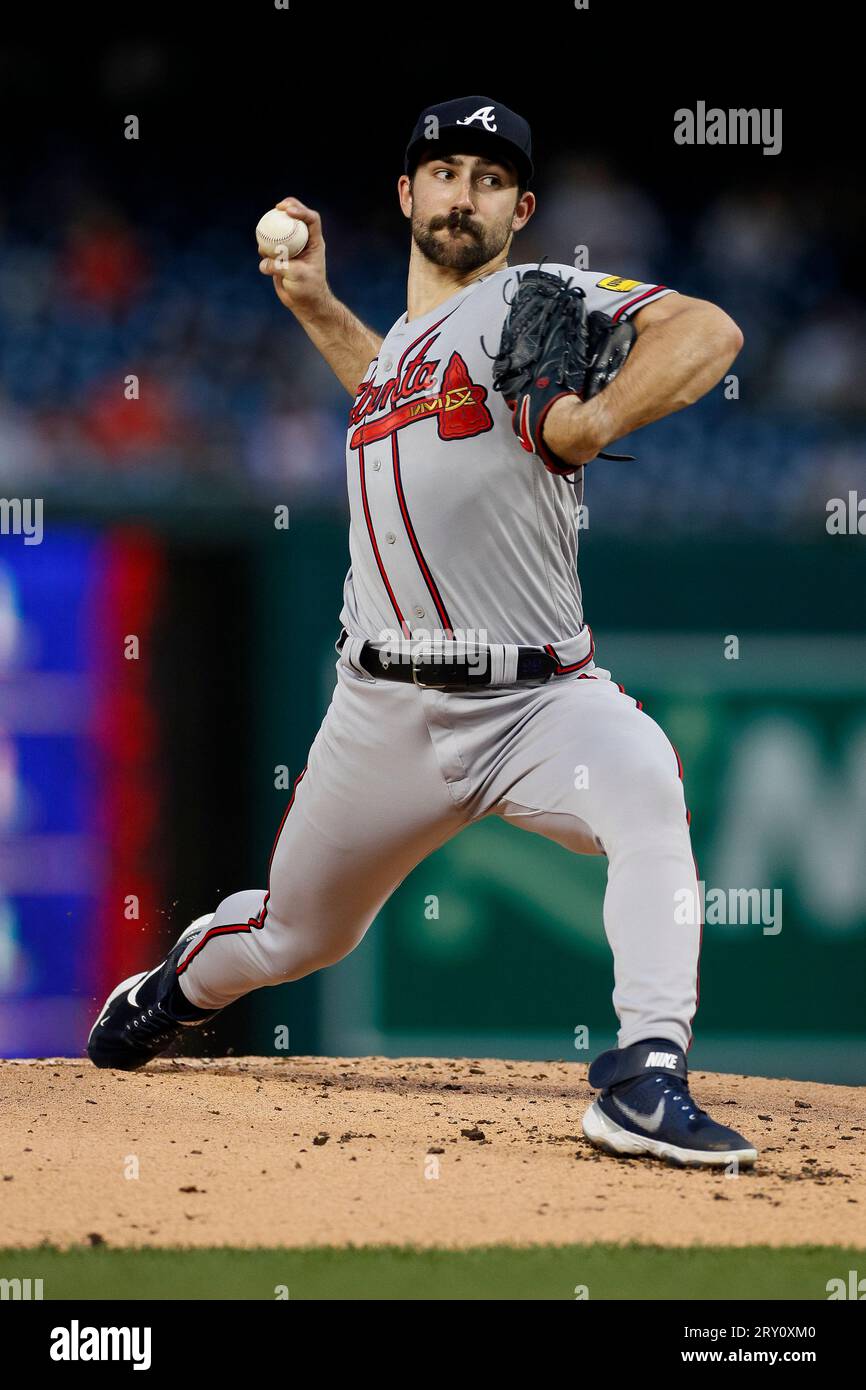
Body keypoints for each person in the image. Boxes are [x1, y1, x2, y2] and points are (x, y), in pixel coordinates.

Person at [88, 96, 756, 1169]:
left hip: (541, 698)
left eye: (490, 179)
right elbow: (390, 395)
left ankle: (644, 1073)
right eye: (444, 171)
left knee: (645, 789)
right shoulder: (400, 350)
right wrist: (312, 304)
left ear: (521, 208)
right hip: (383, 710)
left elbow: (708, 329)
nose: (464, 191)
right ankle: (169, 990)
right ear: (406, 195)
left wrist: (592, 417)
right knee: (297, 935)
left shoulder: (542, 293)